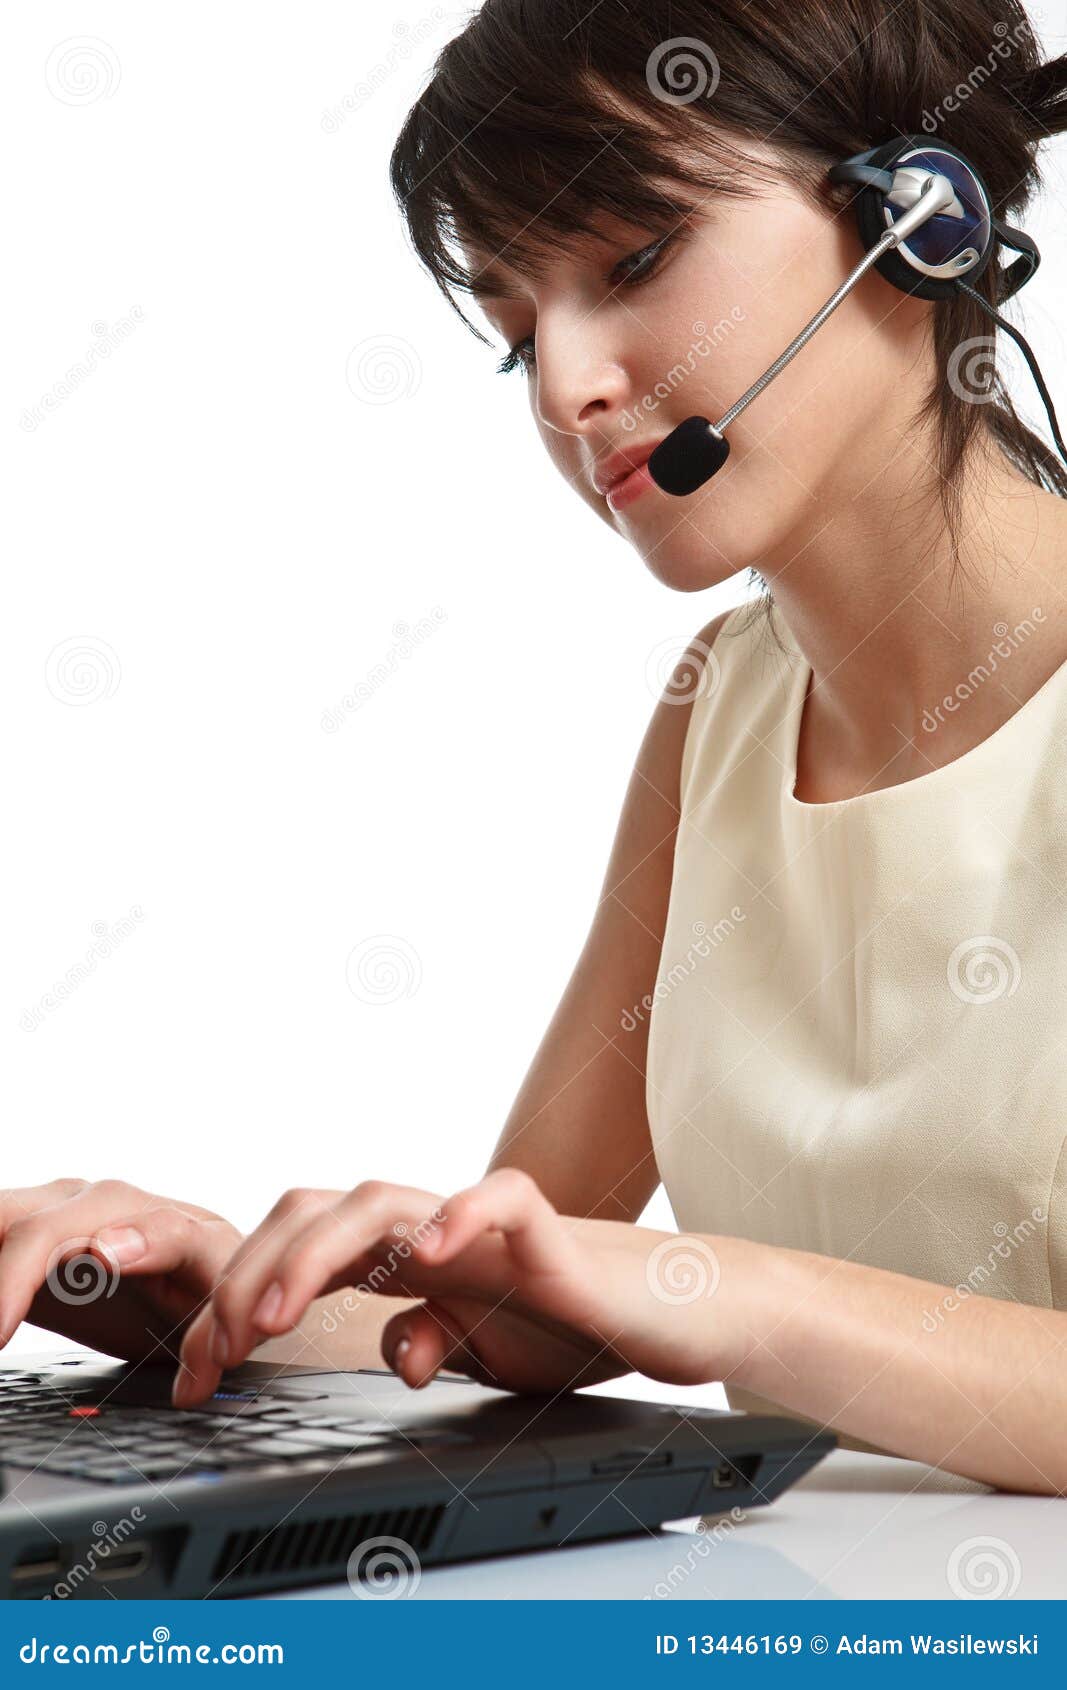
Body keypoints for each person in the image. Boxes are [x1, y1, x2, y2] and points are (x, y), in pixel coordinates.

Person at [6, 0, 1067, 1495]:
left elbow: (666, 1291)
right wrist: (221, 1294)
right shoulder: (723, 707)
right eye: (518, 337)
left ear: (922, 214)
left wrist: (717, 1289)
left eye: (634, 261)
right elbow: (511, 1308)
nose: (570, 389)